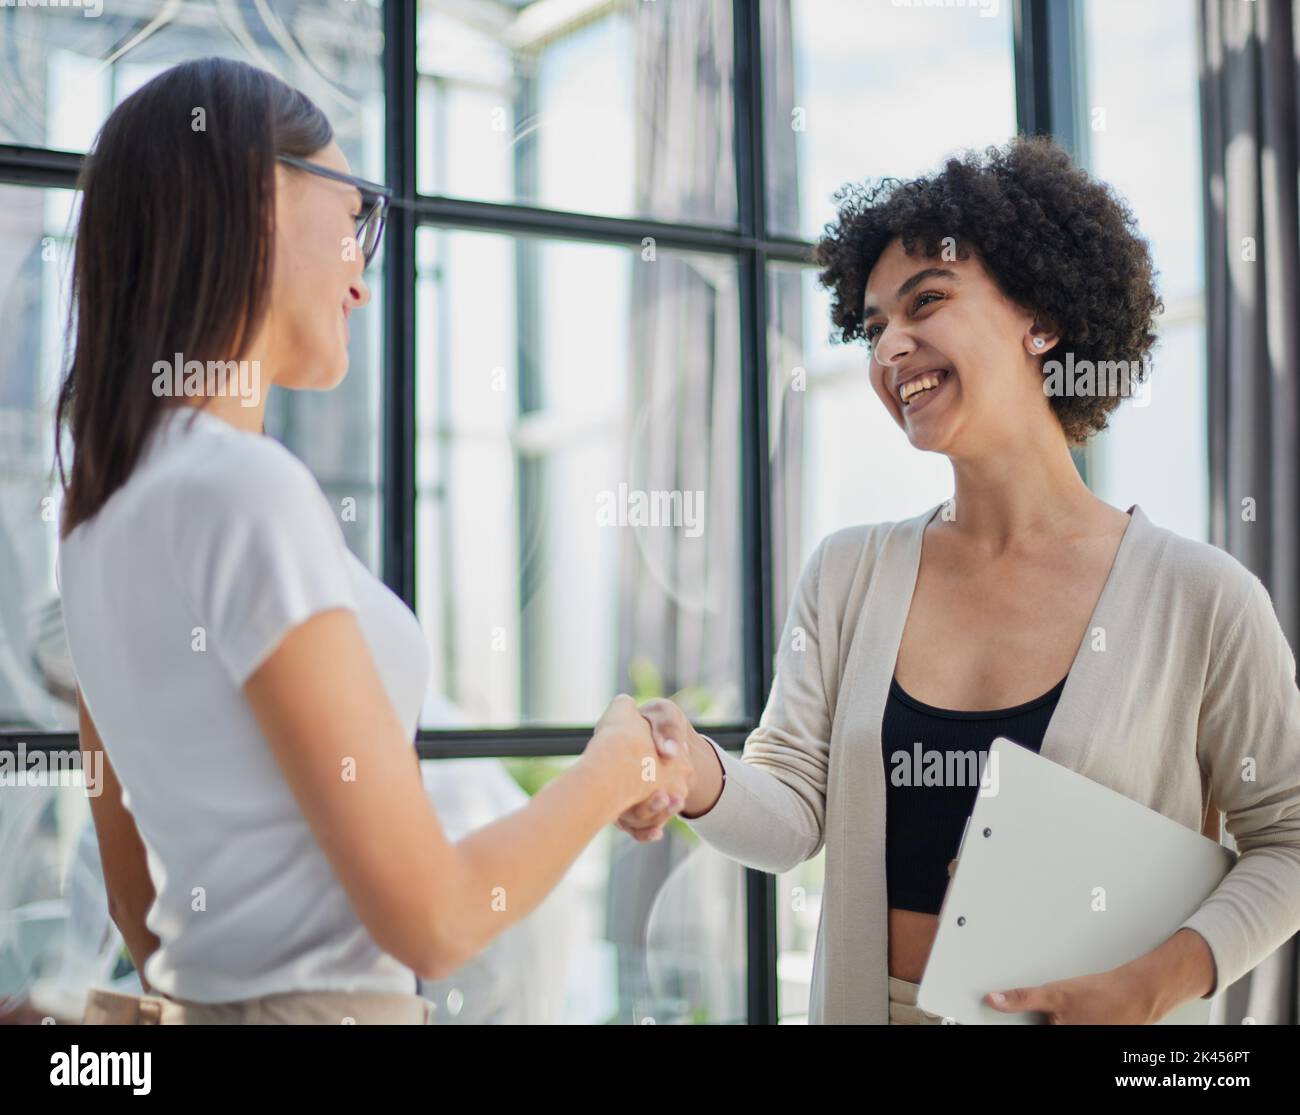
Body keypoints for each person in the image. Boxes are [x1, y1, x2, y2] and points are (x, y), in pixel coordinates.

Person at [55, 57, 691, 1025]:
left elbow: (140, 914)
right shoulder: (242, 489)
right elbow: (434, 918)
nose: (364, 266)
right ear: (261, 196)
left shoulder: (97, 520)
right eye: (354, 215)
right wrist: (614, 766)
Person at [619, 135, 1300, 1025]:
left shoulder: (1201, 598)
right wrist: (693, 772)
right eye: (871, 329)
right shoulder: (848, 572)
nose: (889, 348)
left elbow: (1286, 838)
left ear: (1043, 318)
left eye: (925, 302)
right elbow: (789, 810)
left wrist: (1158, 981)